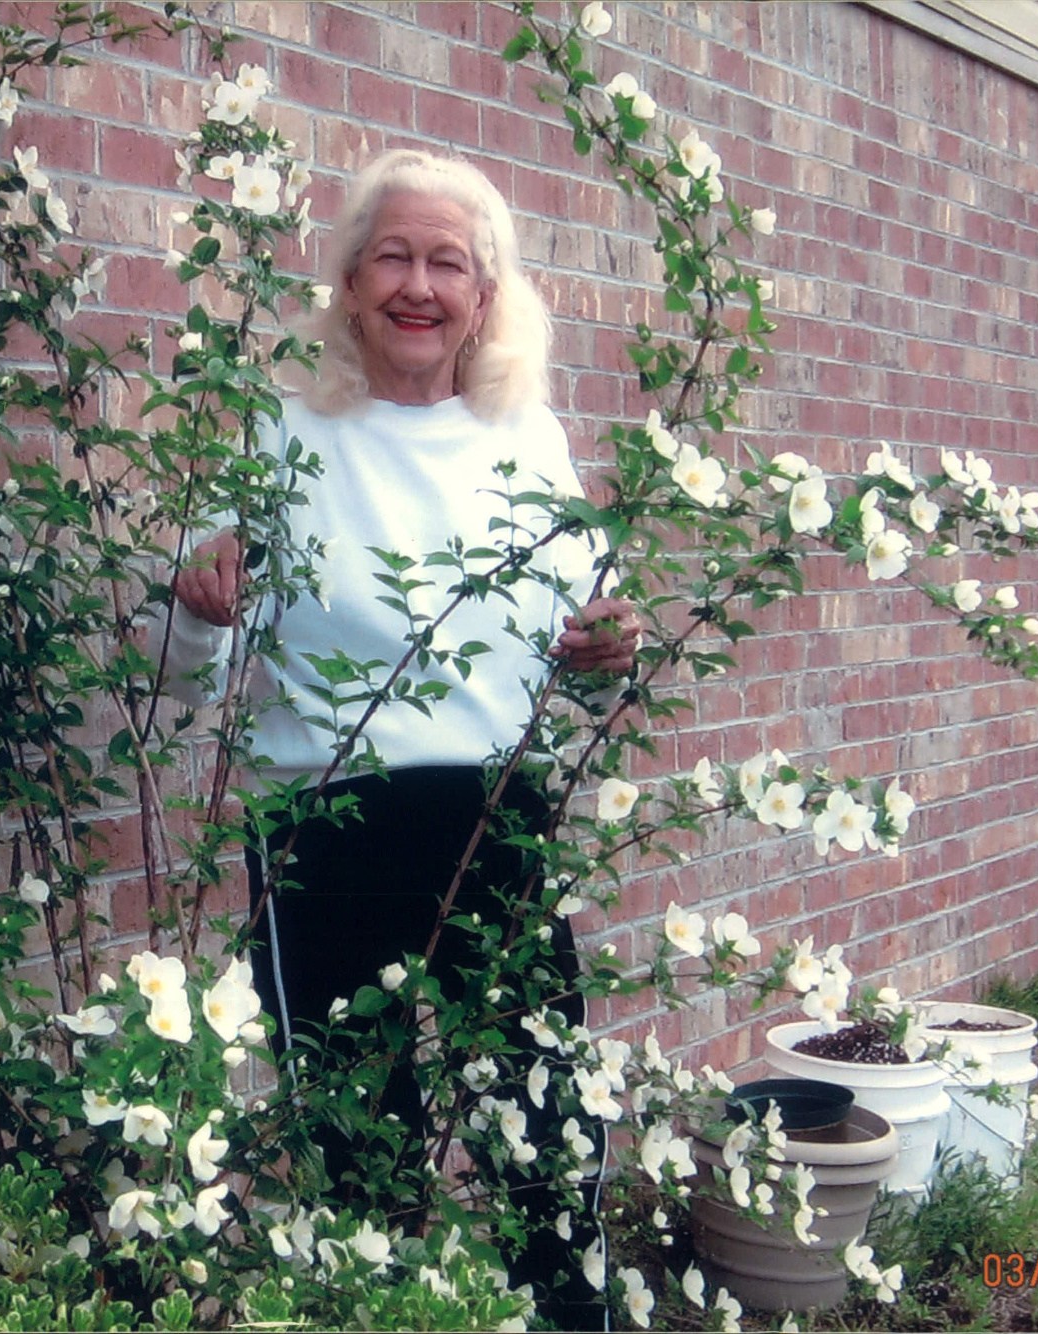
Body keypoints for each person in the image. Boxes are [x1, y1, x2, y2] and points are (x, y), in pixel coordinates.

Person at [163, 150, 636, 1322]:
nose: (418, 286)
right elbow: (189, 677)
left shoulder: (527, 441)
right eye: (393, 257)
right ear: (349, 283)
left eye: (448, 263)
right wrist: (197, 607)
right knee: (355, 1153)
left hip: (492, 821)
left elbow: (585, 666)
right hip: (323, 828)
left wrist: (607, 652)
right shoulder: (281, 439)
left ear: (485, 294)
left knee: (542, 1135)